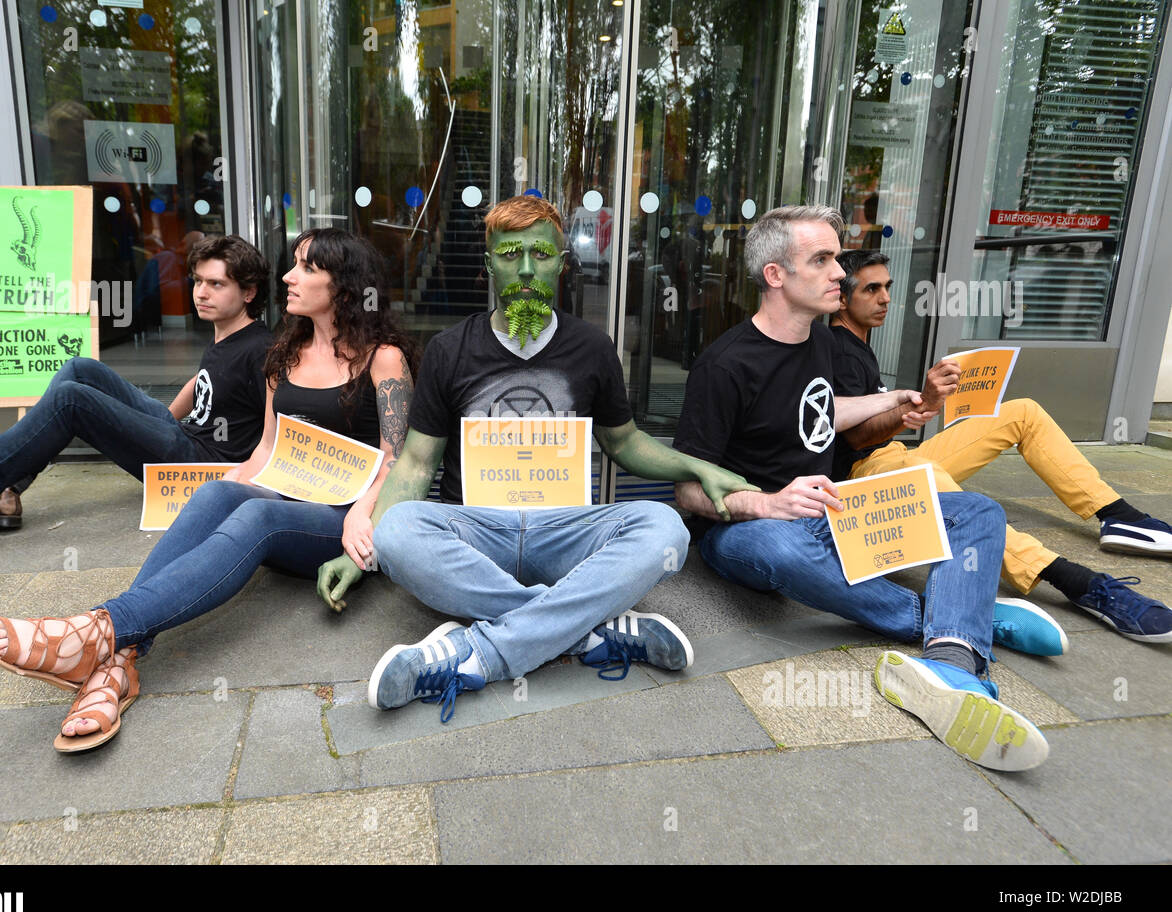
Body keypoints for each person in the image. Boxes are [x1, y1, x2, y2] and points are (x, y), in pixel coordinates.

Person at [0, 229, 416, 752]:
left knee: (257, 518)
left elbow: (395, 458)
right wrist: (216, 490)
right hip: (286, 496)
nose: (288, 277)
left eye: (306, 268)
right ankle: (116, 662)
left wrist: (364, 514)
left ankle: (90, 637)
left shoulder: (383, 358)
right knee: (220, 496)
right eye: (292, 264)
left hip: (341, 523)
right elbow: (265, 453)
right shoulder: (284, 355)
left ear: (345, 285)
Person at [316, 195, 754, 721]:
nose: (526, 270)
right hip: (478, 533)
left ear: (562, 264)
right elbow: (414, 465)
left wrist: (695, 466)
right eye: (510, 254)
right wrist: (361, 552)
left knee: (664, 528)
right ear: (488, 265)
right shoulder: (449, 350)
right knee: (398, 531)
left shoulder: (593, 348)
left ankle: (473, 652)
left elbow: (625, 443)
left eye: (542, 255)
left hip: (564, 531)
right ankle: (586, 629)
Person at [673, 204, 1068, 772]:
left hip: (836, 511)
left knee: (977, 511)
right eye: (823, 259)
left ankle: (950, 664)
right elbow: (687, 490)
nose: (840, 272)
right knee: (779, 547)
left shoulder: (821, 342)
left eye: (837, 257)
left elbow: (817, 411)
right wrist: (767, 502)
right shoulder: (725, 366)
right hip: (748, 528)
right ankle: (957, 623)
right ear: (776, 275)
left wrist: (894, 398)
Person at [831, 250, 1171, 644]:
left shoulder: (859, 343)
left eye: (887, 287)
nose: (886, 297)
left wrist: (929, 401)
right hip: (861, 475)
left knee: (1021, 412)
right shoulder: (836, 347)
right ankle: (1080, 582)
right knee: (929, 477)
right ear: (842, 299)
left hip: (894, 454)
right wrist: (917, 404)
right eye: (871, 289)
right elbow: (854, 436)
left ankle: (1118, 515)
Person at [0, 235, 274, 554]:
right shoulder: (226, 333)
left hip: (201, 468)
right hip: (180, 437)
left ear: (249, 292)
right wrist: (157, 421)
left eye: (216, 284)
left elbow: (281, 420)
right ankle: (7, 490)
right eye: (198, 282)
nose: (201, 293)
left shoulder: (262, 350)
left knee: (71, 400)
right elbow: (201, 381)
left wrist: (244, 483)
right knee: (79, 368)